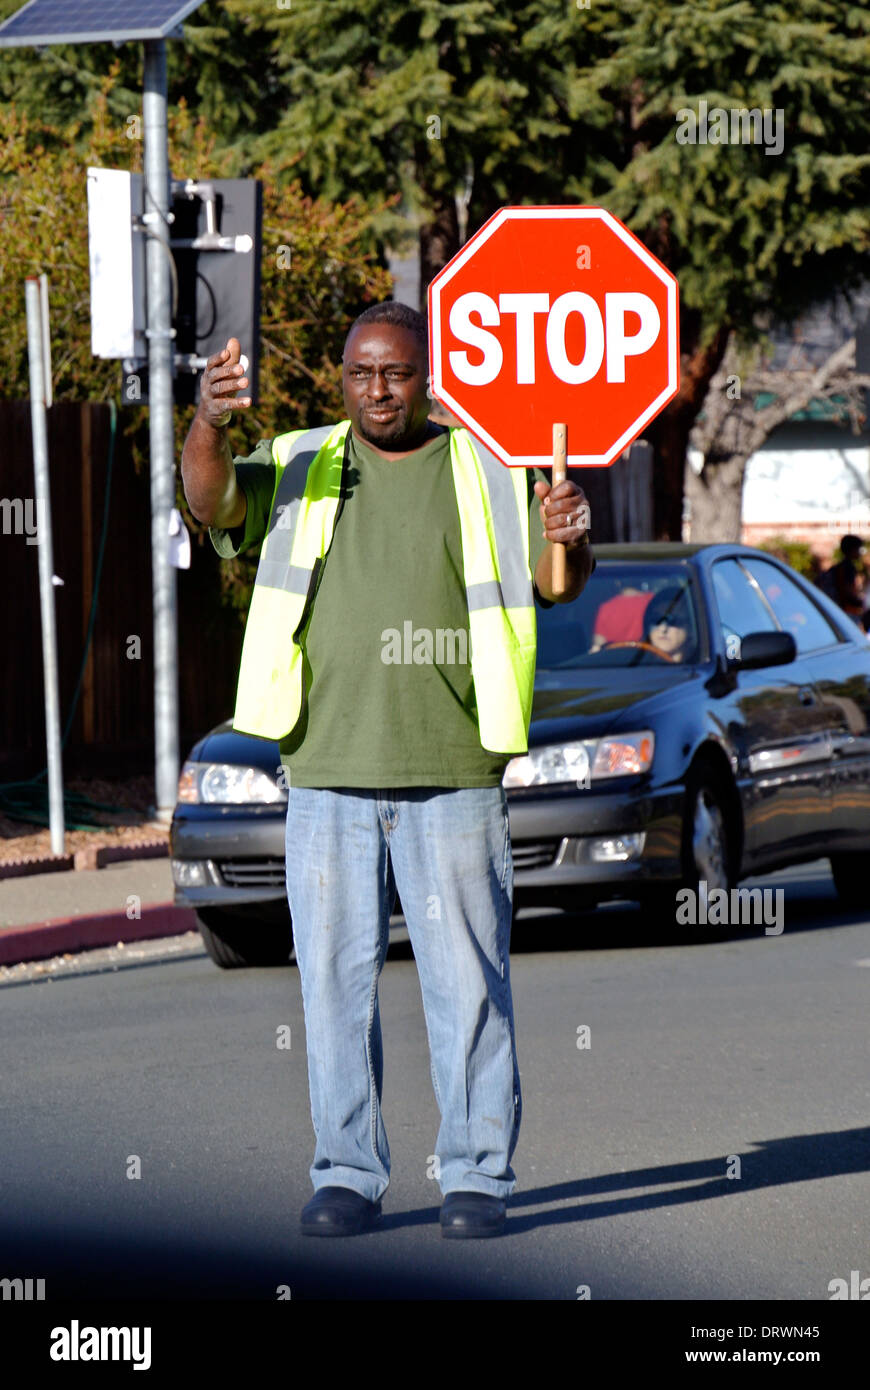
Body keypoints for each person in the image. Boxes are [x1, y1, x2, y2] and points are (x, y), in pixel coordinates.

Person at [181, 302, 594, 1239]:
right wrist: (208, 417)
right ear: (341, 375)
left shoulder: (486, 466)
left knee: (468, 983)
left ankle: (478, 1176)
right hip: (326, 767)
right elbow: (211, 504)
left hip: (453, 767)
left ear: (427, 376)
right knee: (332, 984)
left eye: (397, 373)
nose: (378, 390)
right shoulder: (299, 462)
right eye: (362, 372)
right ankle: (347, 1172)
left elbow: (558, 579)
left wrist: (568, 529)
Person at [819, 535, 865, 624]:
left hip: (838, 608)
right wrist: (861, 602)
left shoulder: (839, 567)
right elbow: (848, 591)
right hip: (846, 610)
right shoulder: (848, 567)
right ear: (853, 549)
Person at [641, 585, 695, 662]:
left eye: (673, 621)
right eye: (656, 619)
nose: (663, 628)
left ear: (690, 628)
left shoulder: (701, 666)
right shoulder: (635, 667)